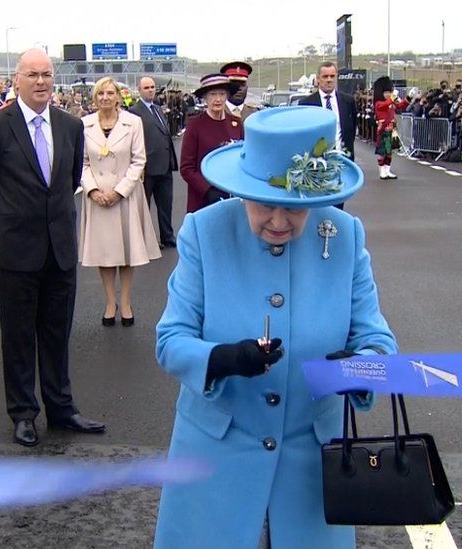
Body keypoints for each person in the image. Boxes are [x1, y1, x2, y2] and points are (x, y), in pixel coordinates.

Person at [154, 106, 397, 548]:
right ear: (244, 190)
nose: (280, 222)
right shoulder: (204, 232)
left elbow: (377, 341)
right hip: (216, 455)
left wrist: (359, 367)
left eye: (296, 209)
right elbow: (171, 339)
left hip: (312, 464)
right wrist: (221, 359)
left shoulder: (344, 235)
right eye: (267, 204)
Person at [0, 48, 106, 447]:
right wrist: (8, 224)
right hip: (15, 251)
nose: (41, 81)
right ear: (17, 79)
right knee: (18, 336)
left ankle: (61, 408)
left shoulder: (69, 126)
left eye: (46, 74)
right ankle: (23, 412)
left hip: (59, 248)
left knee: (57, 332)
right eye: (33, 74)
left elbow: (67, 181)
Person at [80, 77, 161, 327]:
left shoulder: (133, 122)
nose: (105, 97)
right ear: (95, 98)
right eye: (100, 93)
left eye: (109, 93)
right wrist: (93, 190)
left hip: (125, 196)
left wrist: (120, 191)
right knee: (105, 253)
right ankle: (109, 302)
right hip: (97, 197)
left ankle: (125, 302)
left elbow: (139, 160)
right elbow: (81, 163)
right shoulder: (83, 124)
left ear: (118, 96)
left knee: (126, 252)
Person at [179, 74, 243, 213]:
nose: (218, 99)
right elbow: (186, 168)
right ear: (205, 98)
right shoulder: (195, 125)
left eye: (222, 94)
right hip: (204, 199)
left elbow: (243, 157)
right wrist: (208, 190)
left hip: (232, 196)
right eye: (213, 94)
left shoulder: (236, 124)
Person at [130, 76, 178, 248]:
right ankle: (145, 241)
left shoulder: (157, 109)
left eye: (152, 87)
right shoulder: (134, 112)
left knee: (166, 205)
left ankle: (167, 236)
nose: (150, 90)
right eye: (146, 88)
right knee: (144, 207)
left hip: (165, 165)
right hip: (147, 167)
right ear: (139, 90)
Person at [299, 62, 358, 162]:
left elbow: (351, 130)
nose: (329, 80)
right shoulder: (306, 104)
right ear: (318, 79)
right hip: (317, 162)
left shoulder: (348, 101)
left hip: (344, 159)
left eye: (332, 76)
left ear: (336, 77)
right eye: (325, 77)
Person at [372, 76, 408, 180]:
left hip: (392, 129)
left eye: (389, 92)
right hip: (383, 129)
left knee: (389, 152)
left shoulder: (391, 102)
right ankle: (382, 170)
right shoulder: (379, 103)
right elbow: (383, 105)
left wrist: (409, 98)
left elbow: (400, 105)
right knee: (383, 151)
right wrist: (392, 99)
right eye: (386, 92)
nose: (388, 94)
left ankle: (387, 170)